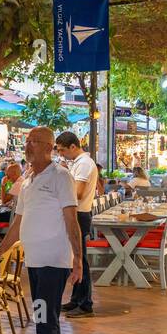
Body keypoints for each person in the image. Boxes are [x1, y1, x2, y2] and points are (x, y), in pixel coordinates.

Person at [0, 127, 82, 334]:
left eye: (34, 142)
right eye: (27, 142)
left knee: (44, 317)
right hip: (35, 261)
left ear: (49, 147)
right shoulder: (28, 180)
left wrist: (79, 259)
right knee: (46, 316)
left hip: (54, 260)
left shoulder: (61, 177)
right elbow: (17, 224)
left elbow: (71, 220)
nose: (28, 146)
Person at [55, 131, 98, 318]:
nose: (61, 154)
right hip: (77, 213)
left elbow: (77, 193)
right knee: (76, 258)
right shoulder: (78, 164)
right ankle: (76, 299)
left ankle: (85, 303)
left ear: (73, 146)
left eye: (63, 150)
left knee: (81, 260)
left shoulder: (84, 165)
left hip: (79, 215)